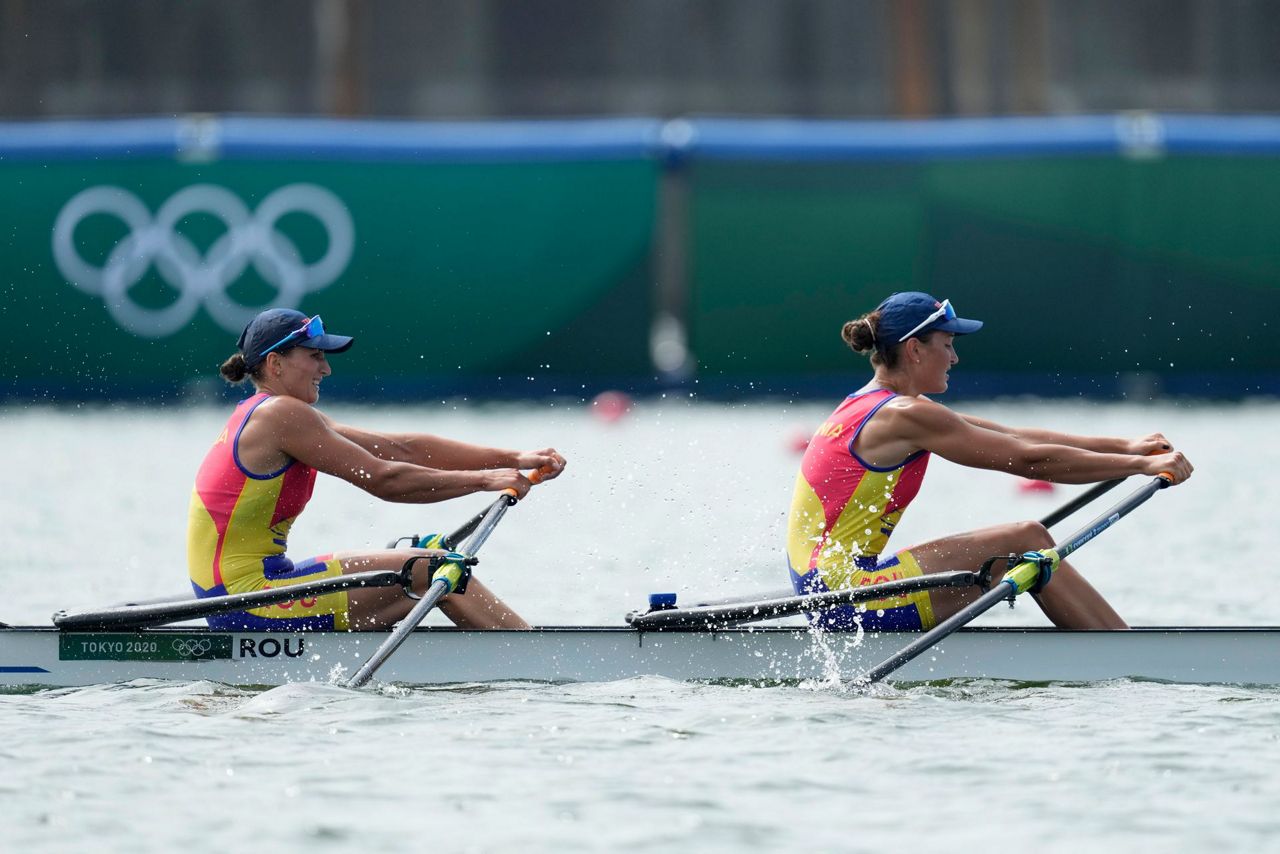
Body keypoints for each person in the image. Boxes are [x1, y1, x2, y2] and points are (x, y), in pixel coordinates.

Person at [786, 292, 1193, 632]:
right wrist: (1138, 467)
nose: (954, 358)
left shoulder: (874, 406)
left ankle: (1113, 644)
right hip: (846, 594)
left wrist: (1128, 447)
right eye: (948, 344)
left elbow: (1015, 436)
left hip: (828, 589)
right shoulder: (903, 415)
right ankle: (1124, 653)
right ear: (914, 349)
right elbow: (1030, 462)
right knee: (1026, 539)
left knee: (1024, 541)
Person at [187, 308, 566, 631]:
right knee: (435, 570)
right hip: (247, 600)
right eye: (315, 356)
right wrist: (485, 480)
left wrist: (514, 458)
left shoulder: (273, 414)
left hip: (249, 589)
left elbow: (401, 449)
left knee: (423, 564)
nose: (326, 368)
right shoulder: (280, 415)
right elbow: (386, 480)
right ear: (275, 363)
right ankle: (541, 665)